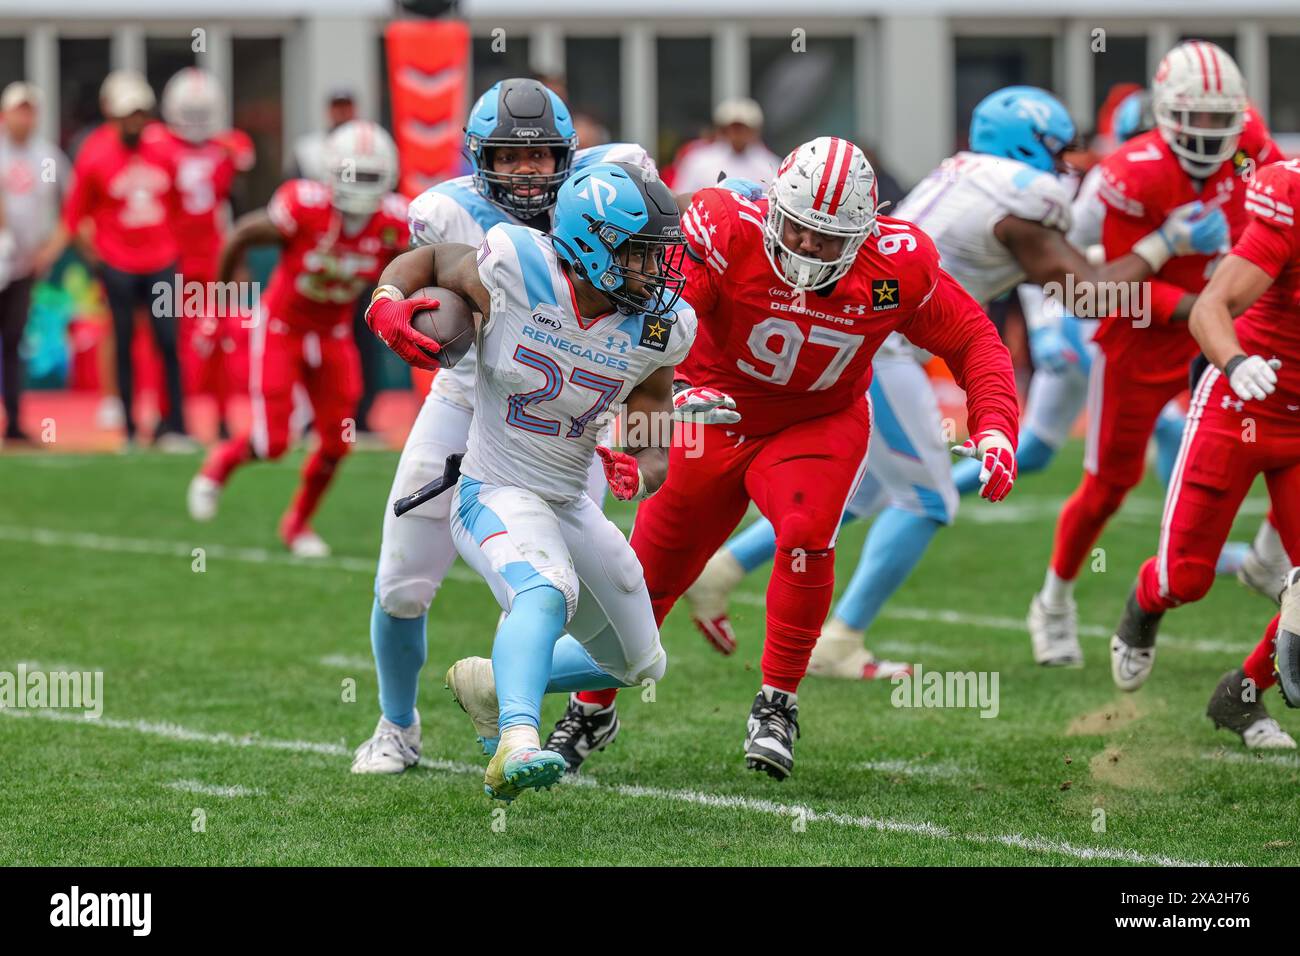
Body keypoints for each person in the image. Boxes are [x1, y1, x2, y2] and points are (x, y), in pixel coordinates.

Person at [549, 137, 1023, 779]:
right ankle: (590, 710)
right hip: (710, 414)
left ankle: (777, 704)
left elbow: (971, 336)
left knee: (805, 536)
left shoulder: (894, 268)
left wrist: (996, 426)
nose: (807, 249)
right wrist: (658, 411)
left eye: (828, 240)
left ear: (864, 233)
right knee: (647, 576)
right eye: (798, 230)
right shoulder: (726, 231)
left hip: (815, 420)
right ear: (773, 209)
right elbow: (654, 324)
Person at [351, 77, 667, 774]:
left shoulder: (605, 196)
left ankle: (501, 698)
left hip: (562, 422)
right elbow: (431, 265)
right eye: (507, 156)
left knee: (549, 585)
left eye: (542, 156)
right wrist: (387, 298)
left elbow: (641, 361)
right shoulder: (450, 213)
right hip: (468, 396)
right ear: (477, 157)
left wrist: (630, 441)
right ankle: (396, 726)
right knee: (403, 580)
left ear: (568, 157)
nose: (527, 172)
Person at [1025, 42, 1284, 667]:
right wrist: (1197, 296)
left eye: (1221, 118)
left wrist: (1237, 281)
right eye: (1196, 117)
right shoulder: (1131, 171)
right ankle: (1054, 600)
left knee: (1282, 429)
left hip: (1231, 324)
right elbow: (1114, 285)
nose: (1210, 131)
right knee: (1110, 484)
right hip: (1144, 333)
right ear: (1166, 114)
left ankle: (1269, 557)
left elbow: (1279, 211)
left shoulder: (1250, 144)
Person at [1106, 158, 1300, 752]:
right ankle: (1145, 603)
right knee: (1187, 577)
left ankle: (1239, 693)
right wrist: (1236, 364)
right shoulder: (1290, 200)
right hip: (1242, 398)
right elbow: (1212, 306)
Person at [186, 121, 406, 556]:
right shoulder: (304, 207)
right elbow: (241, 237)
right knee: (273, 443)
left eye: (368, 177)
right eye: (352, 176)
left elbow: (412, 271)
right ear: (330, 174)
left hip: (334, 332)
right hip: (282, 327)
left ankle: (297, 524)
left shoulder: (394, 222)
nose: (359, 188)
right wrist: (214, 308)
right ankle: (221, 464)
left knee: (338, 442)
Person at [63, 70, 191, 450]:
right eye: (127, 114)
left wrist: (174, 249)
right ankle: (131, 430)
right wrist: (98, 259)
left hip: (161, 261)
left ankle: (174, 426)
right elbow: (74, 216)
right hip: (117, 263)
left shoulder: (165, 149)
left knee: (168, 342)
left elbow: (180, 206)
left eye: (140, 113)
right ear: (114, 117)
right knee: (122, 343)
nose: (135, 121)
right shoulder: (95, 153)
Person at [146, 67, 255, 441]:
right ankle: (173, 418)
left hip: (209, 260)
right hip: (181, 259)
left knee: (214, 344)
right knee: (175, 344)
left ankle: (214, 419)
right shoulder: (219, 148)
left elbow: (232, 202)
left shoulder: (218, 147)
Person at [0, 82, 69, 445]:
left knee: (13, 342)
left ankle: (13, 422)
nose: (23, 118)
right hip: (2, 258)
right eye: (17, 110)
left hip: (24, 266)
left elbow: (70, 208)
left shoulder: (47, 158)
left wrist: (49, 249)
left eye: (29, 110)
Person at [670, 98, 779, 195]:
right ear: (723, 130)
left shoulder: (770, 166)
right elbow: (682, 199)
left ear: (755, 131)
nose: (738, 134)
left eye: (743, 129)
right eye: (734, 128)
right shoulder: (698, 161)